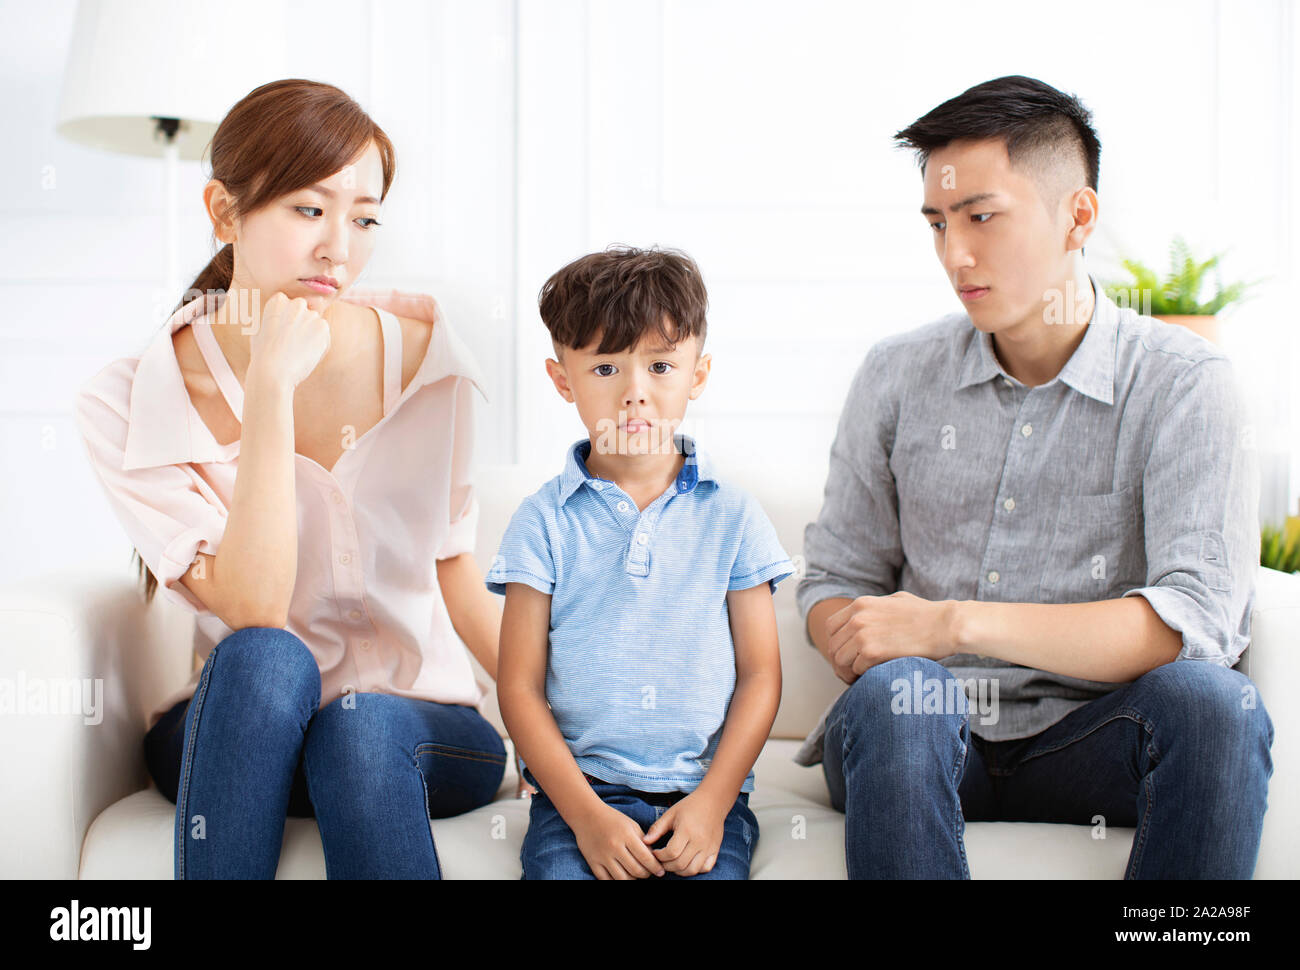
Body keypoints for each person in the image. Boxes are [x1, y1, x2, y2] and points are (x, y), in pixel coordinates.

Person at [795, 75, 1273, 879]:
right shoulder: (896, 374)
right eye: (938, 223)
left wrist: (949, 624)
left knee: (1216, 705)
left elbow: (1194, 623)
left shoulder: (1184, 383)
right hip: (922, 737)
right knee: (903, 695)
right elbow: (837, 579)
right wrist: (852, 631)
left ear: (1077, 216)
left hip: (1095, 739)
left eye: (981, 216)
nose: (955, 254)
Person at [73, 79, 506, 879]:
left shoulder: (428, 359)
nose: (339, 247)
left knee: (356, 730)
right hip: (245, 727)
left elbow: (457, 576)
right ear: (224, 210)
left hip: (416, 730)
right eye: (309, 210)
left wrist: (571, 719)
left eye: (364, 218)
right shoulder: (128, 401)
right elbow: (256, 607)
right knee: (267, 656)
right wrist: (269, 390)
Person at [490, 246, 792, 879]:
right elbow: (519, 688)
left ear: (698, 374)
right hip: (581, 796)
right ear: (561, 378)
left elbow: (761, 675)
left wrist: (713, 804)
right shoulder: (543, 521)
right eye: (605, 368)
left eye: (660, 365)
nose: (635, 394)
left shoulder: (734, 517)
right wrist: (584, 815)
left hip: (704, 797)